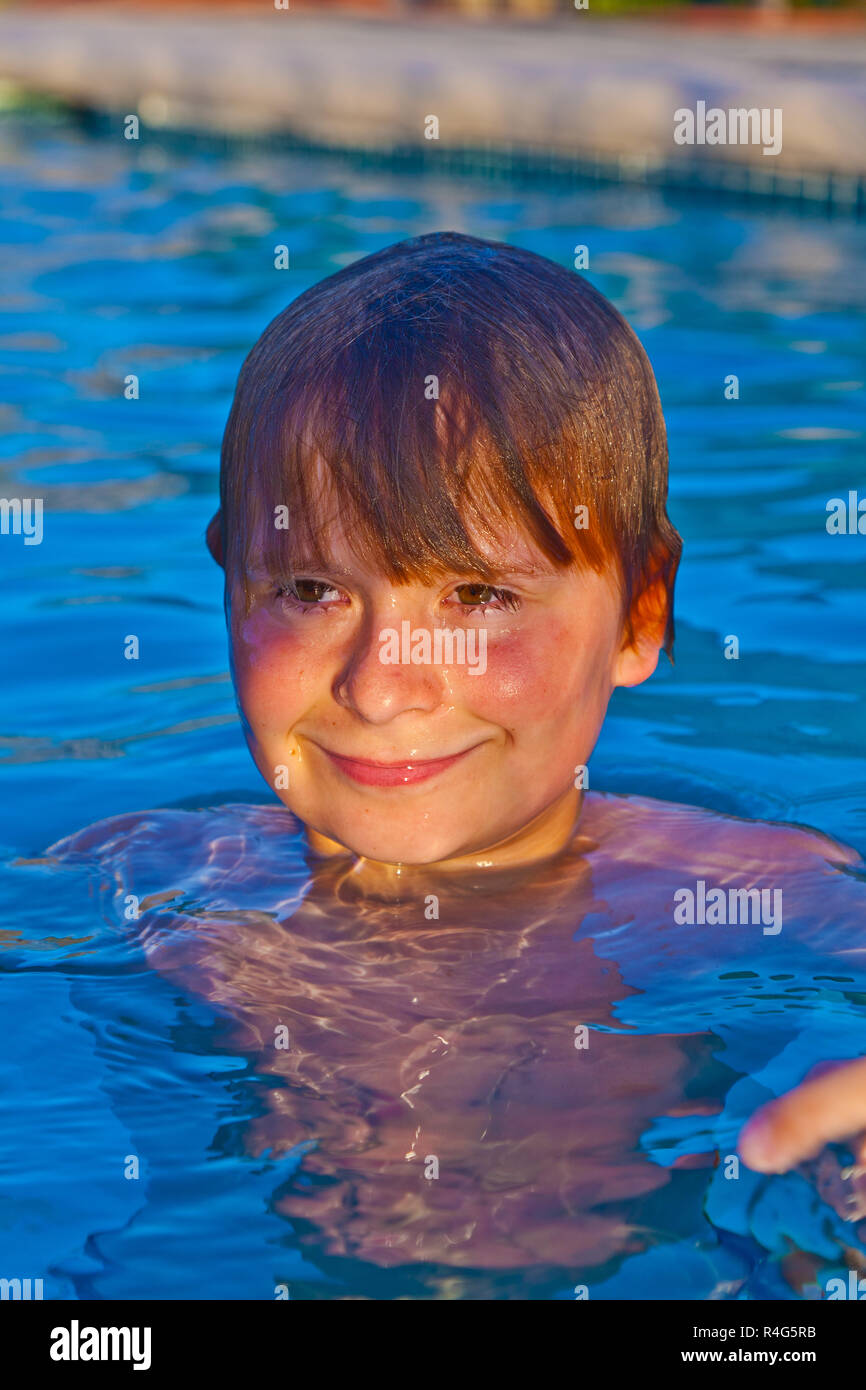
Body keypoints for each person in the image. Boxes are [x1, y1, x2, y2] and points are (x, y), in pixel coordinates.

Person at [47, 233, 866, 1283]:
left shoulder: (724, 886)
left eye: (476, 598)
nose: (381, 684)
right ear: (228, 584)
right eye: (308, 591)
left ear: (637, 615)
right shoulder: (150, 880)